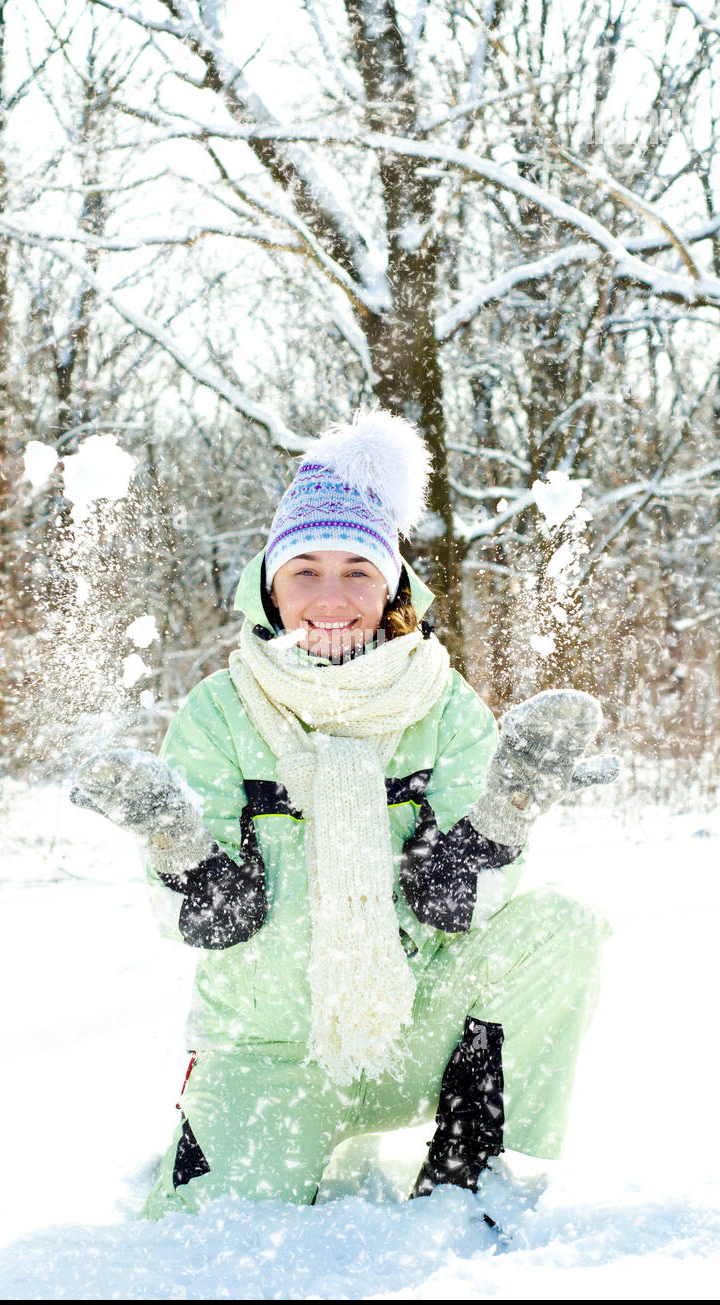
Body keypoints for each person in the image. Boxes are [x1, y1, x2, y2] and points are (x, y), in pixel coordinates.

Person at [70, 410, 615, 1217]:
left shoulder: (444, 707)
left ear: (393, 584)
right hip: (272, 1054)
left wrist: (508, 810)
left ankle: (468, 1163)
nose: (332, 599)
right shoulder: (221, 714)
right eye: (305, 572)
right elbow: (219, 921)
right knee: (201, 1236)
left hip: (413, 1039)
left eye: (358, 570)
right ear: (269, 584)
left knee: (564, 922)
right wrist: (174, 840)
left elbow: (452, 905)